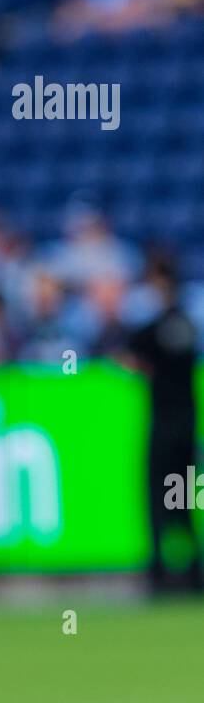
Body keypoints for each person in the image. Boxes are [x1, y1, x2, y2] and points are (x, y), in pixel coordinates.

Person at [126, 254, 202, 592]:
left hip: (163, 425)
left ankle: (160, 571)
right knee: (184, 498)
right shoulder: (186, 322)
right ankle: (192, 569)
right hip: (186, 426)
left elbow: (132, 355)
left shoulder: (153, 327)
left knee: (159, 498)